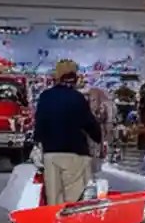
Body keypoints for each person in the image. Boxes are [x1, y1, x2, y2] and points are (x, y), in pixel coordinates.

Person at [34, 60, 102, 204]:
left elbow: (39, 124)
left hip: (50, 154)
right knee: (73, 200)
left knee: (54, 200)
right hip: (74, 153)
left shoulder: (45, 97)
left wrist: (38, 144)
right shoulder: (77, 98)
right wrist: (98, 138)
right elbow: (89, 124)